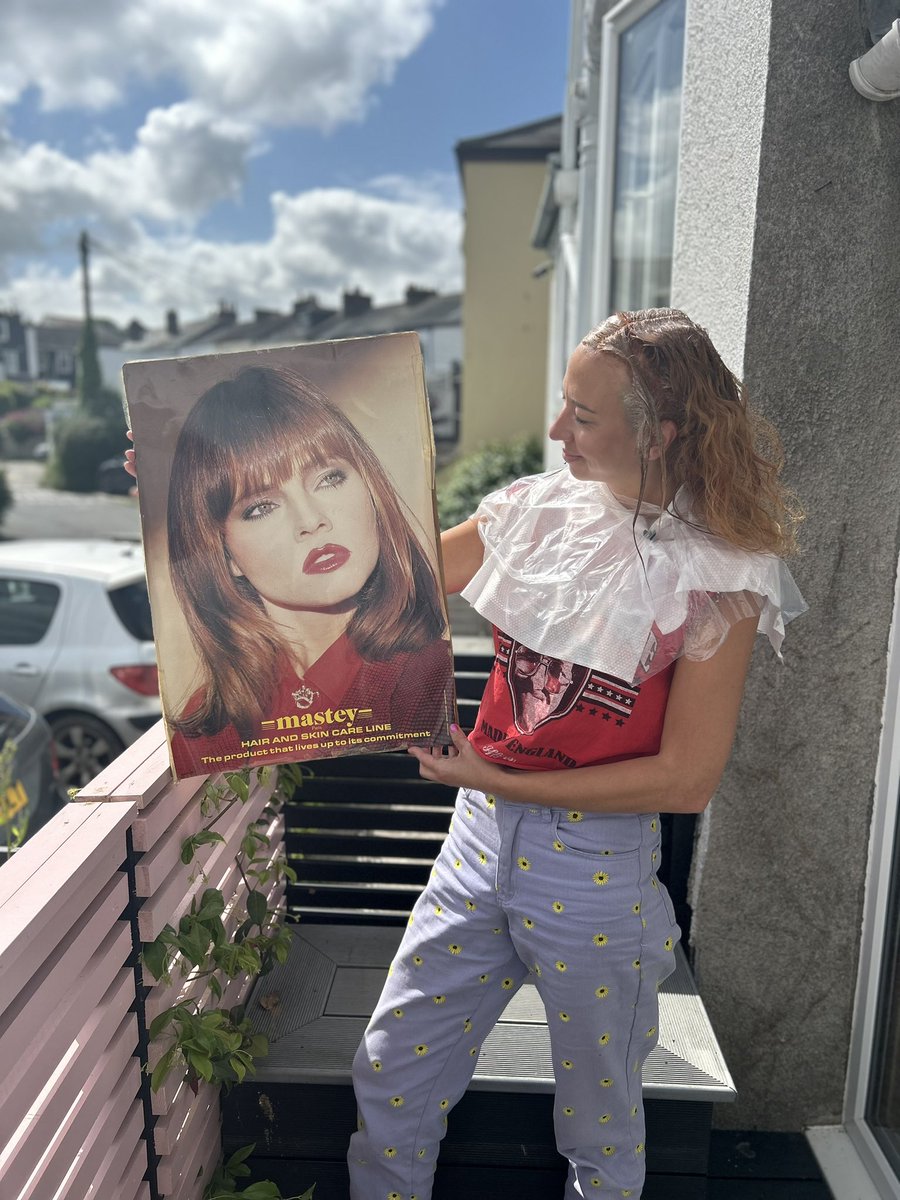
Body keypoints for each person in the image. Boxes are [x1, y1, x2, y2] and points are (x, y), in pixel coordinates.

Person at [347, 308, 806, 1200]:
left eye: (582, 416)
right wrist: (175, 492)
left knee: (600, 1125)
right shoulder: (534, 510)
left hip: (594, 870)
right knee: (391, 1068)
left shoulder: (720, 571)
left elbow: (688, 778)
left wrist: (489, 773)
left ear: (662, 432)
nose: (556, 431)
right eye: (563, 406)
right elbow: (391, 575)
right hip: (477, 845)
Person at [132, 363, 453, 777]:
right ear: (224, 554)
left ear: (370, 487)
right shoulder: (208, 729)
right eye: (261, 507)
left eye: (329, 478)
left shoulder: (427, 678)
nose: (311, 520)